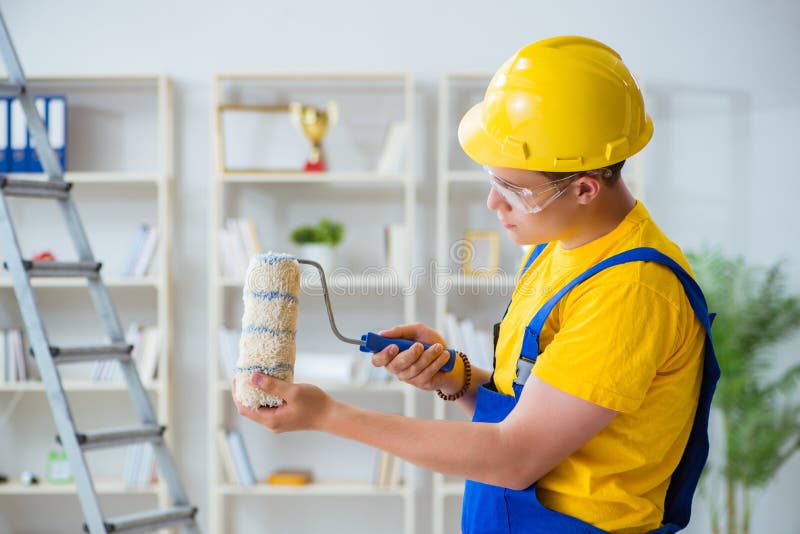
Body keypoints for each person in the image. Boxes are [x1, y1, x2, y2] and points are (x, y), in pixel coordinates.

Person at [233, 35, 720, 534]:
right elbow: (534, 405)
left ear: (584, 188)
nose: (493, 203)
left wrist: (328, 415)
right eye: (492, 178)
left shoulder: (630, 290)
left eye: (513, 188)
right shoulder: (558, 245)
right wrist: (455, 376)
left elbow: (516, 456)